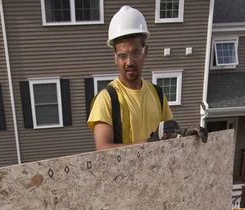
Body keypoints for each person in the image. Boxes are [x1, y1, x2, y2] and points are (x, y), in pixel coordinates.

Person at [88, 5, 206, 151]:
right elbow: (102, 150)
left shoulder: (157, 94)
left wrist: (185, 136)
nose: (129, 62)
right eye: (122, 55)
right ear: (115, 58)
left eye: (135, 52)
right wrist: (151, 141)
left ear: (146, 52)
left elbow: (167, 135)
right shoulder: (106, 99)